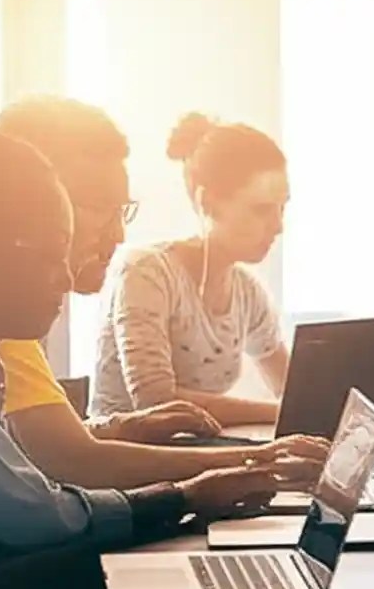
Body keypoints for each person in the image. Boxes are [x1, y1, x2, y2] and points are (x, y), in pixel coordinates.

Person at [0, 128, 287, 589]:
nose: (67, 272)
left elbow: (10, 455)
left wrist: (119, 430)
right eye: (49, 248)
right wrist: (192, 492)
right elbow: (36, 504)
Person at [0, 96, 327, 490]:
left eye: (122, 210)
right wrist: (261, 458)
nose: (119, 234)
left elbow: (36, 445)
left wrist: (121, 426)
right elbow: (75, 459)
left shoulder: (11, 325)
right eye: (99, 207)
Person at [93, 112, 290, 426]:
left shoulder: (247, 292)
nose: (278, 226)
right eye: (262, 209)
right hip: (127, 451)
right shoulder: (147, 272)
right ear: (207, 203)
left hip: (196, 447)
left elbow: (291, 389)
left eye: (282, 208)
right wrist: (278, 412)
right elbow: (156, 400)